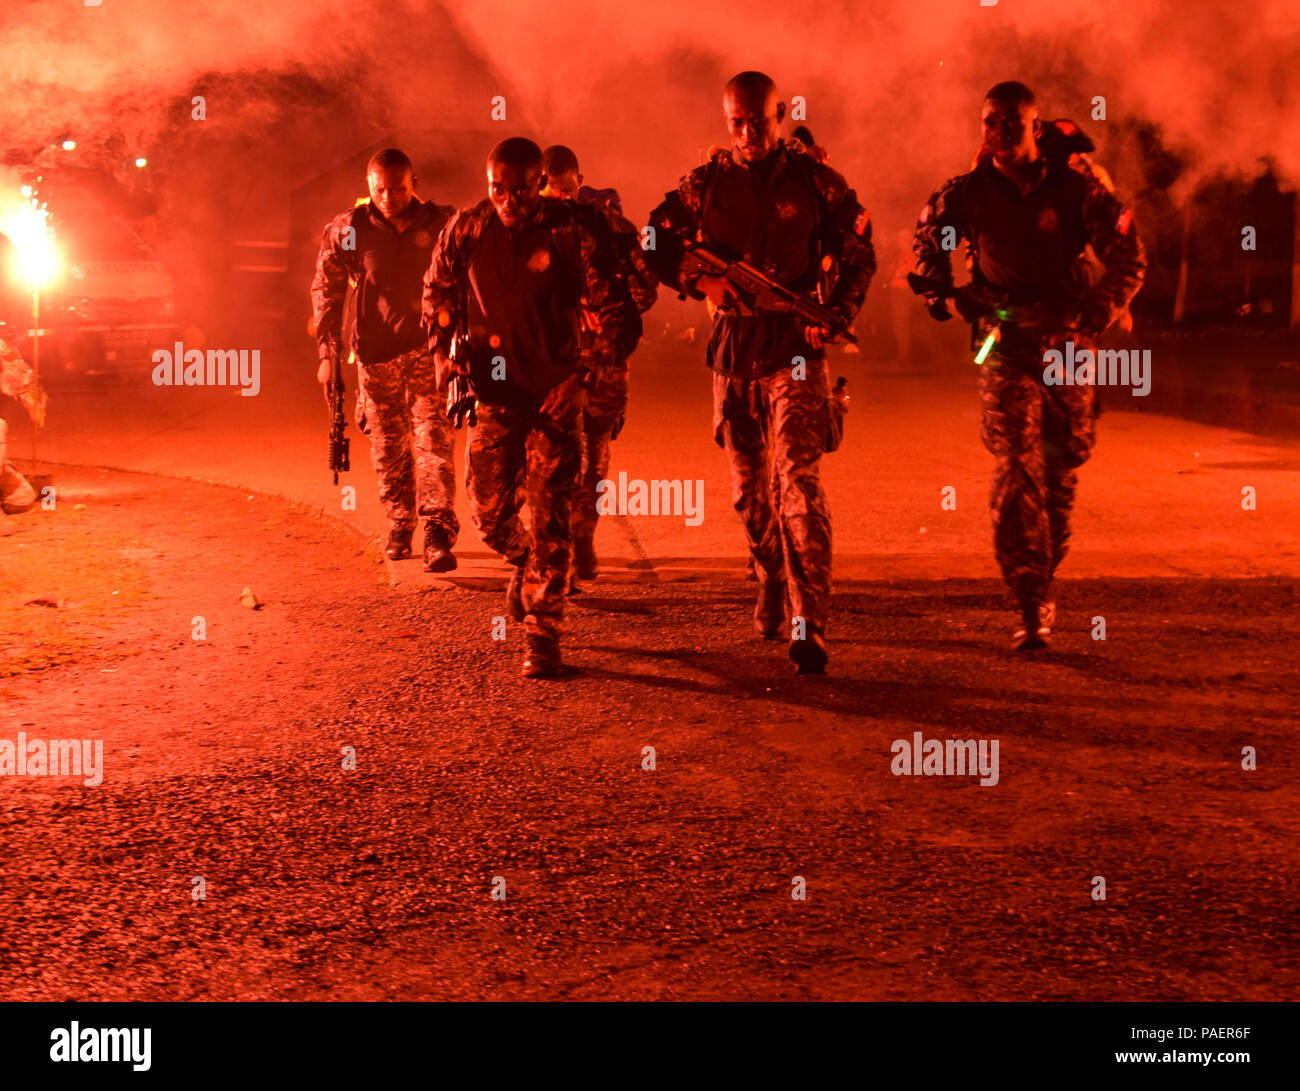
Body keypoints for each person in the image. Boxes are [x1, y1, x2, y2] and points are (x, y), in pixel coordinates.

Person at [648, 70, 875, 674]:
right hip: (733, 355)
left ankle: (810, 624)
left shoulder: (816, 181)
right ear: (728, 121)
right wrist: (702, 280)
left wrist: (838, 313)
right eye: (738, 123)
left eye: (760, 120)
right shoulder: (706, 183)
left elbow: (860, 251)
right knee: (751, 500)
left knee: (797, 484)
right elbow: (651, 238)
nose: (749, 132)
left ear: (780, 115)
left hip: (795, 355)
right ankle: (770, 574)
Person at [913, 81, 1146, 649]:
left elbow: (1128, 257)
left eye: (1011, 123)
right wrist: (945, 295)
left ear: (1034, 127)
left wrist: (1096, 312)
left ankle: (1045, 574)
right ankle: (1029, 598)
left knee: (1062, 470)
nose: (999, 133)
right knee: (1016, 466)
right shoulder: (966, 195)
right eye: (990, 122)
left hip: (1067, 344)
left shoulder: (1074, 191)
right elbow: (928, 244)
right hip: (1005, 343)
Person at [422, 137, 627, 678]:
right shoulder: (467, 228)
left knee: (551, 520)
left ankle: (542, 635)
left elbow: (613, 313)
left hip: (554, 394)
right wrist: (449, 357)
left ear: (539, 183)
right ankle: (527, 562)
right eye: (496, 189)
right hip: (493, 392)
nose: (507, 201)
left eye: (518, 190)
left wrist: (584, 378)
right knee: (488, 516)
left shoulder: (572, 230)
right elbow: (436, 294)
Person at [311, 148, 459, 571]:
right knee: (387, 446)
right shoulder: (351, 229)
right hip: (374, 355)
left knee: (434, 441)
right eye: (379, 190)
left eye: (397, 188)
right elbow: (327, 289)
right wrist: (328, 356)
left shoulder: (442, 223)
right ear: (368, 188)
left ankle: (437, 530)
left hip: (428, 352)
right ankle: (399, 523)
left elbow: (468, 282)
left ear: (414, 183)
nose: (389, 197)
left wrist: (461, 348)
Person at [541, 144, 658, 584]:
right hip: (556, 364)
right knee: (558, 459)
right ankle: (565, 552)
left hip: (605, 362)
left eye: (568, 192)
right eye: (554, 194)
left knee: (595, 459)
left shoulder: (612, 228)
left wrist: (610, 304)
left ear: (581, 182)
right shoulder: (531, 232)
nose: (563, 202)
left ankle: (582, 537)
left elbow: (646, 293)